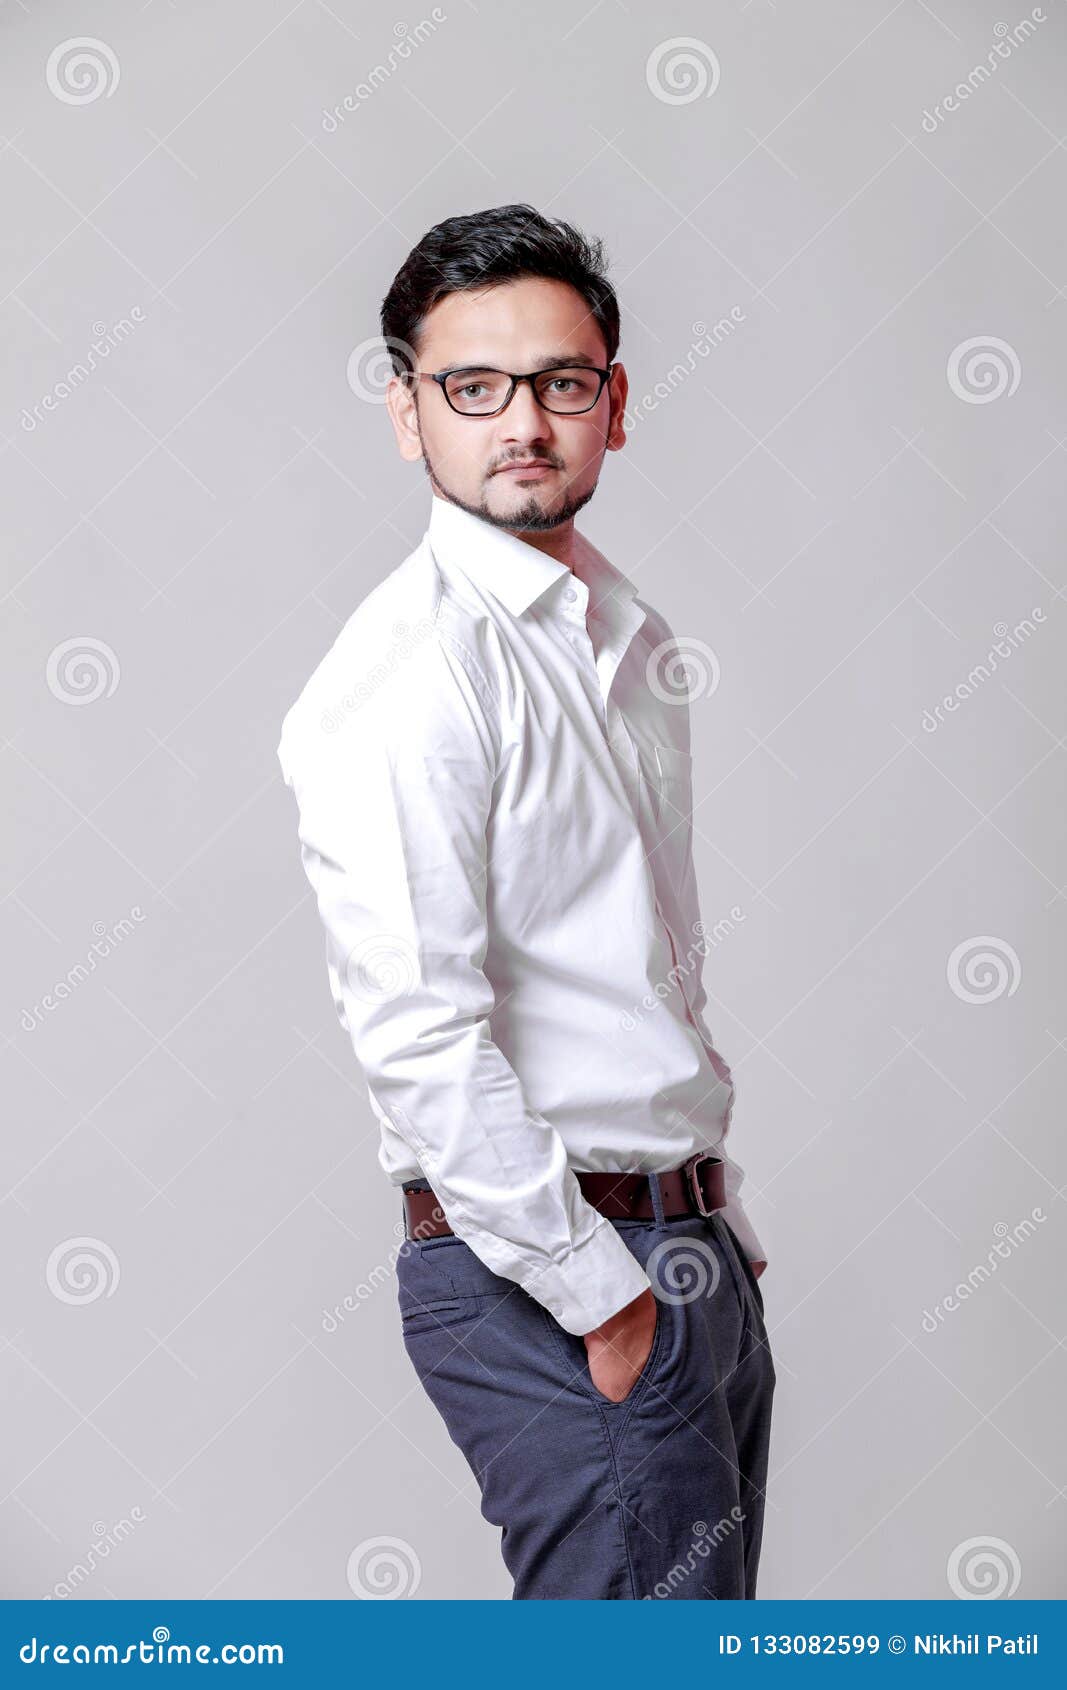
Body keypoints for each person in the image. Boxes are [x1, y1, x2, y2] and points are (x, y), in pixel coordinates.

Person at [277, 204, 775, 1600]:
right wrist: (605, 1296)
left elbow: (629, 969)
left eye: (561, 383)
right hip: (559, 1272)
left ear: (613, 404)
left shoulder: (619, 633)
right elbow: (421, 1036)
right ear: (407, 411)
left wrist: (713, 1242)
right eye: (471, 388)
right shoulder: (411, 674)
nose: (522, 425)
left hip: (684, 1255)